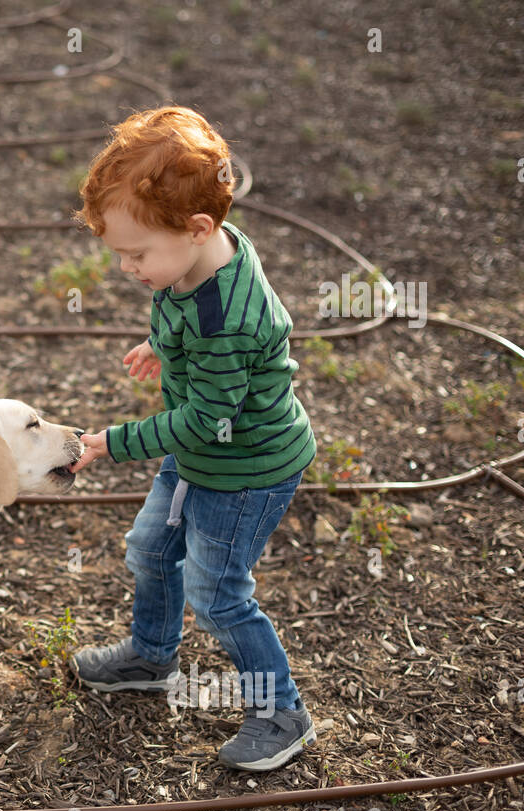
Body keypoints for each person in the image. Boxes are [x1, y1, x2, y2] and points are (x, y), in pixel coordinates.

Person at [68, 106, 317, 771]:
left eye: (135, 253)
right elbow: (184, 314)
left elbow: (207, 418)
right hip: (204, 455)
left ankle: (281, 711)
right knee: (151, 549)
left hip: (245, 469)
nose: (126, 267)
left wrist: (112, 441)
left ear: (197, 228)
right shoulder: (199, 257)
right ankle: (151, 655)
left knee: (217, 591)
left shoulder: (224, 320)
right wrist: (162, 343)